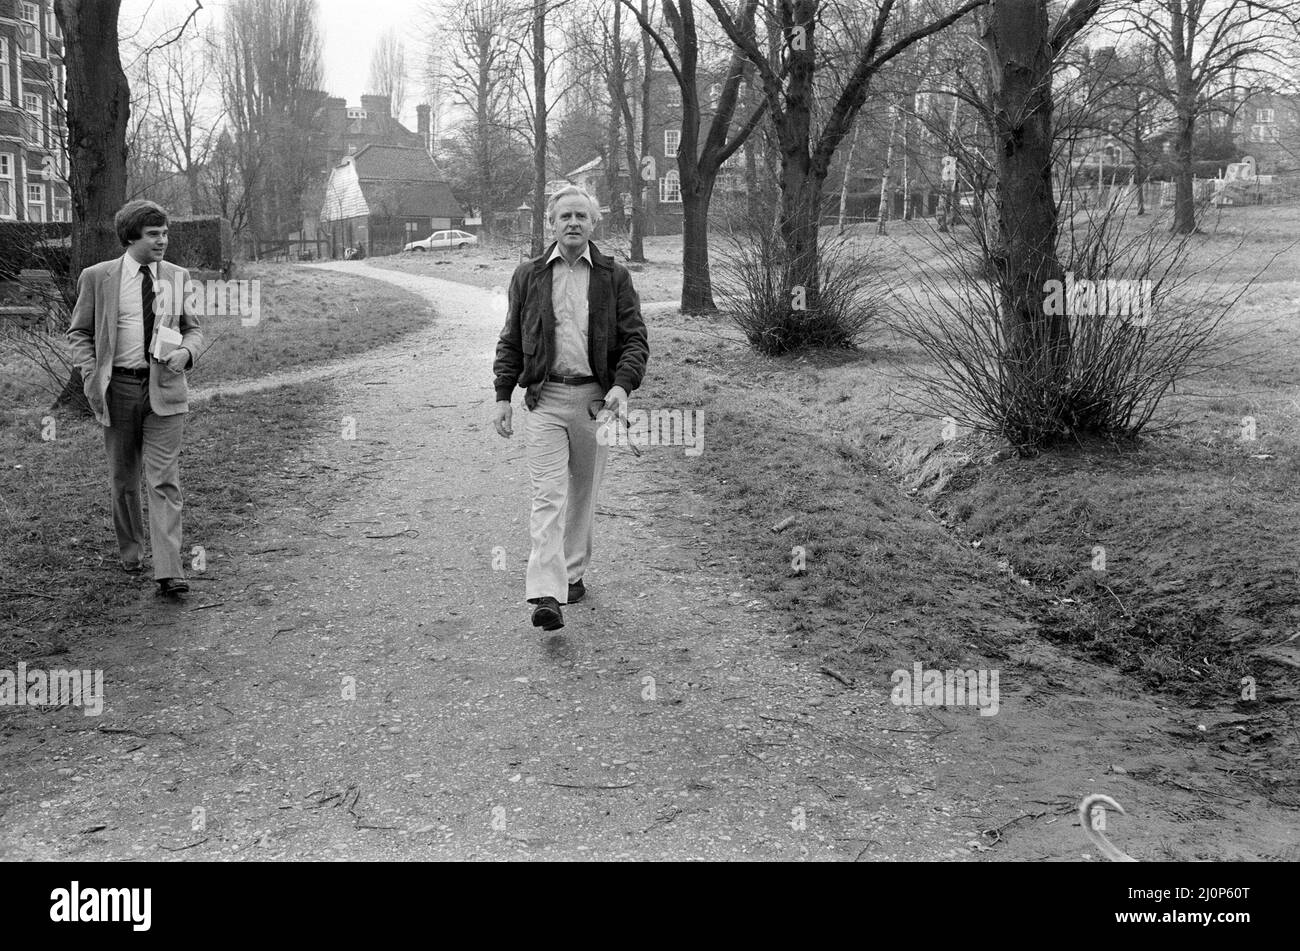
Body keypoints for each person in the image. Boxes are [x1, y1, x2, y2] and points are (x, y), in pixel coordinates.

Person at [493, 185, 649, 631]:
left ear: (594, 223)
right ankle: (546, 590)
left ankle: (573, 575)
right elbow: (511, 340)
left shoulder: (613, 277)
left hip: (593, 403)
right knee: (548, 495)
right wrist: (503, 395)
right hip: (544, 399)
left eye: (582, 216)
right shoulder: (528, 276)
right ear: (552, 224)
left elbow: (635, 339)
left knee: (582, 493)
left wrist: (622, 387)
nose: (574, 223)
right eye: (565, 217)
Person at [67, 200, 204, 596]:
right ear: (131, 237)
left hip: (165, 391)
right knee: (124, 480)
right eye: (154, 234)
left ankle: (170, 570)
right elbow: (79, 333)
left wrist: (187, 352)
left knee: (164, 481)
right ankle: (131, 551)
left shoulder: (177, 277)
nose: (163, 241)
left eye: (165, 233)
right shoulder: (98, 277)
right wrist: (92, 374)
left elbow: (193, 329)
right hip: (118, 389)